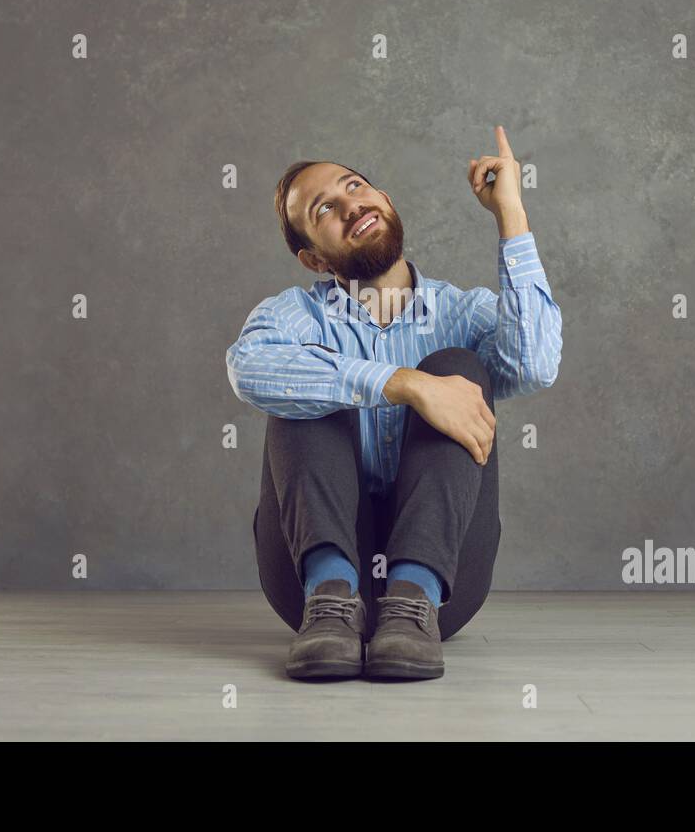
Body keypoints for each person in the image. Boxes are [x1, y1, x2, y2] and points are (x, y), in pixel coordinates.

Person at [226, 126, 562, 680]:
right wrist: (402, 383)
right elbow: (248, 368)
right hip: (308, 590)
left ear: (385, 201)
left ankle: (412, 598)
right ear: (314, 259)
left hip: (441, 591)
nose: (349, 204)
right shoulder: (292, 315)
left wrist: (511, 215)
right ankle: (331, 596)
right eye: (324, 208)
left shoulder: (461, 312)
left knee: (458, 369)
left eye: (355, 186)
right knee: (305, 381)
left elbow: (533, 364)